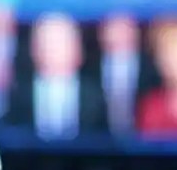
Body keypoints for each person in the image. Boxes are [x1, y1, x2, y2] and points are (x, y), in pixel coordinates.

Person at [7, 12, 106, 140]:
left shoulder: (94, 95)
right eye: (46, 42)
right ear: (33, 49)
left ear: (76, 48)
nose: (51, 49)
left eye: (59, 42)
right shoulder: (19, 94)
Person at [98, 13, 144, 136]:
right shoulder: (90, 67)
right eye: (113, 25)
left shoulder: (151, 68)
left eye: (123, 26)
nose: (117, 32)